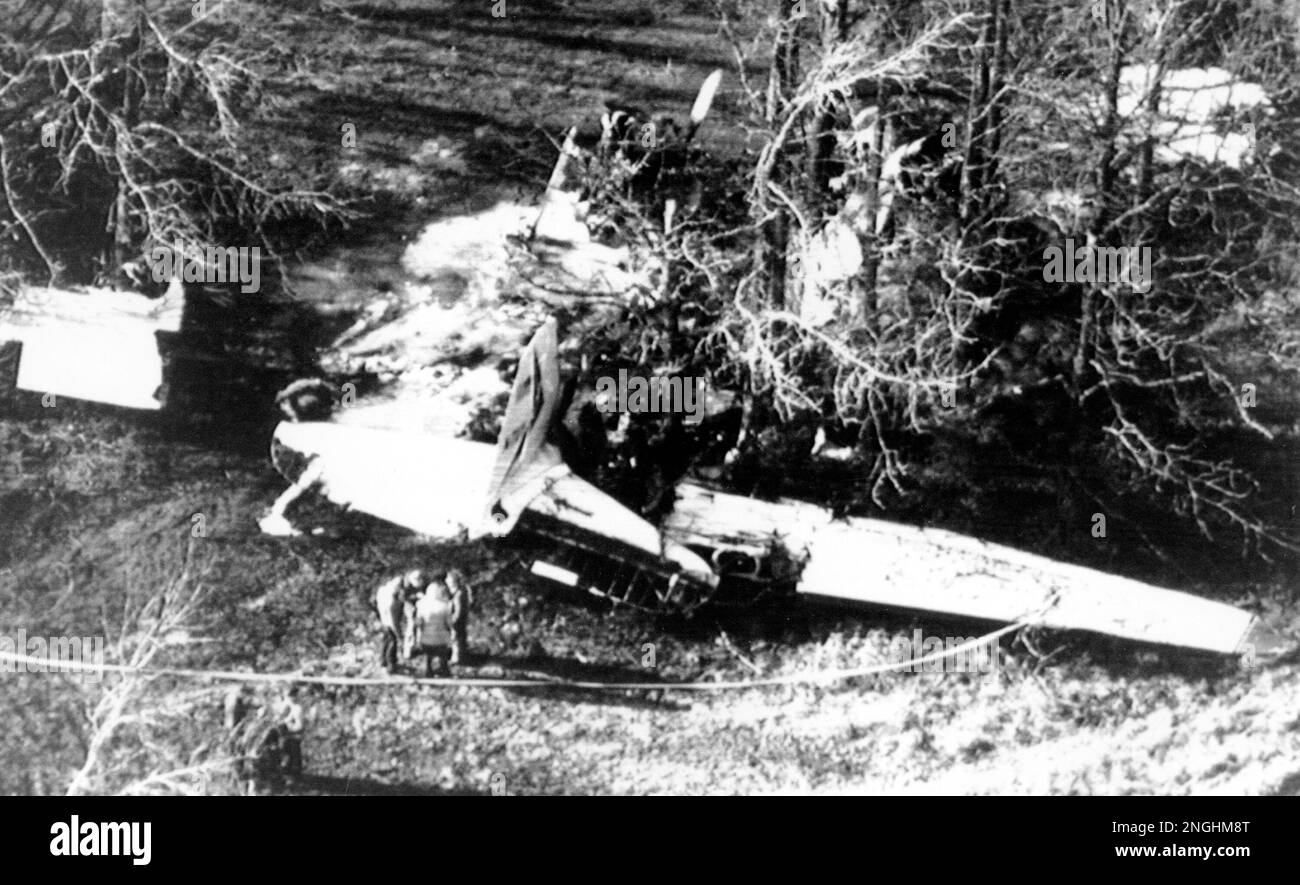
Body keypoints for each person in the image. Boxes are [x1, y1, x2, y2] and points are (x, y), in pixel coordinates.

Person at [374, 569, 424, 674]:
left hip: (385, 619)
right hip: (388, 620)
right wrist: (399, 635)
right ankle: (391, 666)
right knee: (393, 641)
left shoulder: (388, 590)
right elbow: (393, 621)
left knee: (387, 639)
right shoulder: (392, 601)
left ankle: (383, 662)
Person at [412, 579, 455, 678]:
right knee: (442, 653)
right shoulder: (445, 606)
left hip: (426, 639)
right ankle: (444, 670)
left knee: (428, 653)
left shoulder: (421, 605)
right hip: (441, 639)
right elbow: (449, 623)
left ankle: (428, 670)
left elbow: (418, 622)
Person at [446, 569, 472, 666]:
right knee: (457, 638)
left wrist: (453, 620)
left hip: (457, 620)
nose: (446, 581)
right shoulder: (456, 592)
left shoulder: (459, 594)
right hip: (457, 619)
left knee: (456, 638)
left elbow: (459, 610)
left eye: (448, 579)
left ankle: (457, 659)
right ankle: (459, 657)